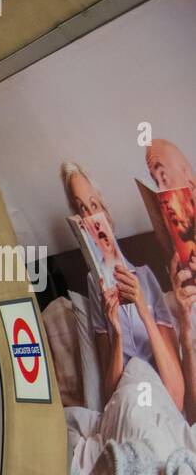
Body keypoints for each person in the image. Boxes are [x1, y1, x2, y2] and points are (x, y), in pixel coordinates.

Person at [59, 162, 184, 411]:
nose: (88, 216)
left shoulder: (147, 278)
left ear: (105, 213)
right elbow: (109, 394)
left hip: (160, 401)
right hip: (125, 404)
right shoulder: (96, 287)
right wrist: (115, 332)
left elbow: (176, 395)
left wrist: (142, 308)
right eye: (80, 209)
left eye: (93, 205)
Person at [145, 139, 196, 422]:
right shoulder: (176, 300)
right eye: (155, 181)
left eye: (163, 177)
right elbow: (192, 415)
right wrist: (186, 331)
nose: (166, 202)